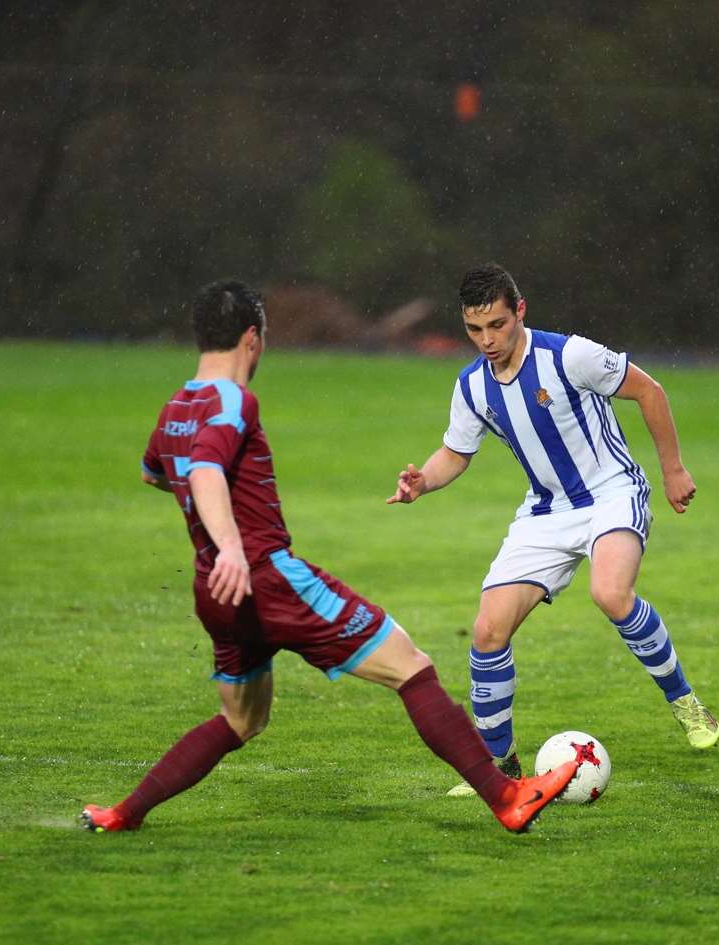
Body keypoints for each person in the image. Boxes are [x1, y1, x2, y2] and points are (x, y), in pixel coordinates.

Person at [80, 279, 577, 834]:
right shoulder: (232, 400)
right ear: (254, 337)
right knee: (412, 669)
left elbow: (157, 471)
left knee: (240, 719)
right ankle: (506, 796)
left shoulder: (178, 404)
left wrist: (213, 532)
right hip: (265, 577)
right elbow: (203, 469)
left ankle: (124, 813)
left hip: (214, 593)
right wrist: (233, 549)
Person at [387, 263, 719, 794]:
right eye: (475, 330)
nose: (487, 340)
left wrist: (673, 469)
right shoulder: (473, 385)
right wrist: (420, 482)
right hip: (545, 512)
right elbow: (455, 452)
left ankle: (687, 704)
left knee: (610, 593)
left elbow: (650, 391)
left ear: (520, 311)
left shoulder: (570, 355)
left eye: (497, 325)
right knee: (487, 631)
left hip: (613, 493)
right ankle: (500, 771)